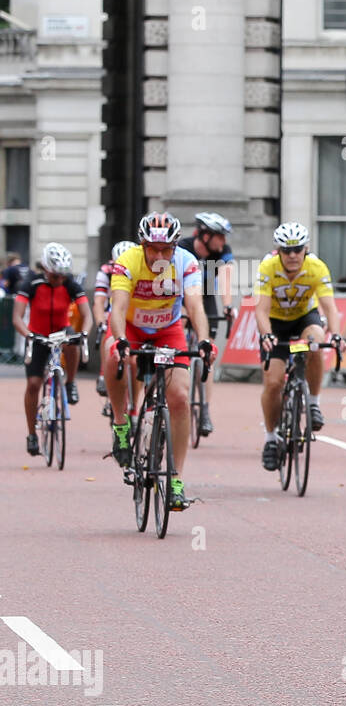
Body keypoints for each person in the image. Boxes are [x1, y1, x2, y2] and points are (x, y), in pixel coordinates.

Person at [106, 212, 210, 509]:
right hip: (132, 329)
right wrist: (120, 339)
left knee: (179, 397)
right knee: (112, 354)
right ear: (143, 245)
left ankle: (175, 479)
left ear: (176, 247)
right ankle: (120, 424)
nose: (160, 255)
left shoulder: (186, 263)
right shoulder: (127, 262)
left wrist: (203, 340)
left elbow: (195, 305)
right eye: (154, 248)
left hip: (168, 331)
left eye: (167, 249)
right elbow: (118, 307)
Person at [254, 222, 345, 469]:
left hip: (304, 318)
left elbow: (329, 306)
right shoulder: (268, 267)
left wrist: (336, 334)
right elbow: (261, 310)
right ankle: (271, 439)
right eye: (286, 250)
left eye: (298, 250)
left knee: (316, 342)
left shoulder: (317, 267)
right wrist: (266, 335)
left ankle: (313, 403)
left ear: (306, 249)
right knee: (273, 383)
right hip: (275, 323)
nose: (293, 255)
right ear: (279, 251)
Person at [12, 243, 92, 455]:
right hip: (37, 334)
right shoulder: (31, 283)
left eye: (62, 276)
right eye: (55, 276)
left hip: (60, 329)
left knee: (71, 343)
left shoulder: (70, 284)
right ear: (46, 269)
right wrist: (28, 335)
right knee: (33, 384)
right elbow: (17, 317)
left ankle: (70, 383)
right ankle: (31, 434)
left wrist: (83, 332)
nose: (59, 280)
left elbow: (87, 314)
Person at [177, 212, 236, 437]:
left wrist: (228, 305)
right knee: (178, 342)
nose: (223, 242)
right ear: (205, 235)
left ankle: (205, 410)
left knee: (208, 352)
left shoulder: (222, 252)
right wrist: (180, 310)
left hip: (206, 298)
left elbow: (225, 277)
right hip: (181, 297)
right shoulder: (183, 248)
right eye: (219, 236)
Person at [93, 240, 135, 405]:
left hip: (132, 310)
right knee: (107, 331)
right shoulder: (105, 271)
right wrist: (99, 322)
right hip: (112, 309)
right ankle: (104, 373)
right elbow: (98, 301)